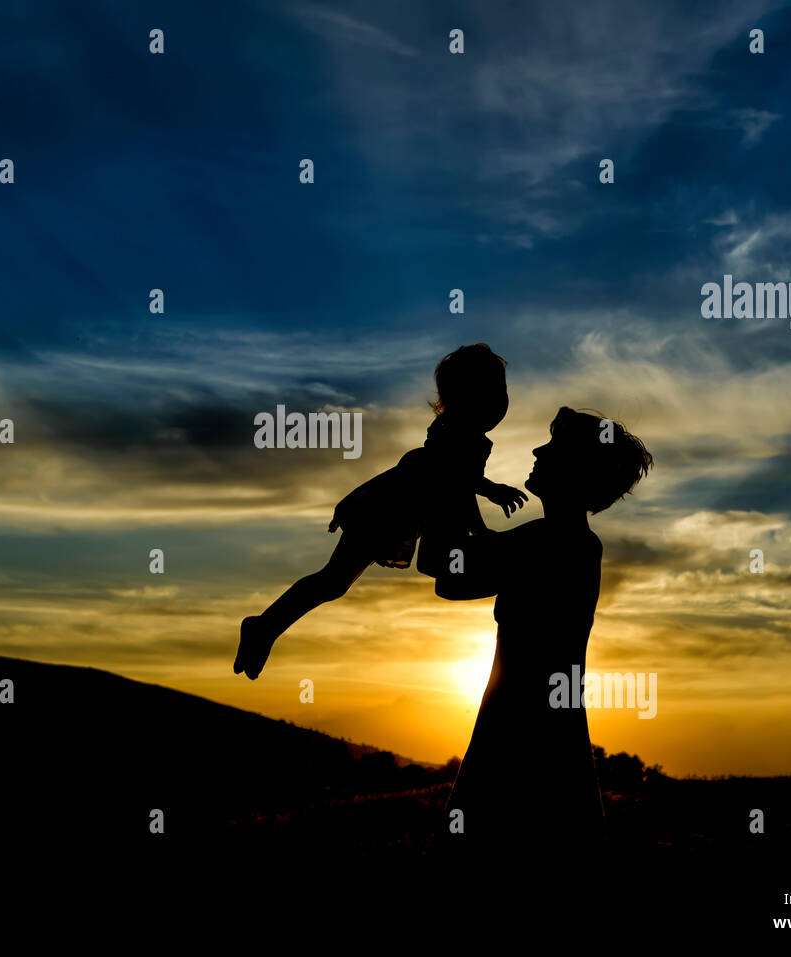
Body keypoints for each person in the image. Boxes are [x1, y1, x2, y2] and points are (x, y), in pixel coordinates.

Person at [428, 406, 653, 880]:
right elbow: (465, 564)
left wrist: (443, 476)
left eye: (554, 447)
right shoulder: (571, 543)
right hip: (548, 739)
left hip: (517, 742)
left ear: (577, 469)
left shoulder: (549, 541)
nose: (536, 450)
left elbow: (447, 574)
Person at [234, 344, 527, 680]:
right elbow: (455, 478)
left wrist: (481, 527)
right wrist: (490, 497)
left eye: (502, 391)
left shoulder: (465, 435)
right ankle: (264, 626)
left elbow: (459, 490)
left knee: (333, 581)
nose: (501, 401)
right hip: (388, 509)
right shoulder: (459, 434)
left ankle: (265, 626)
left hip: (399, 506)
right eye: (493, 391)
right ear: (468, 396)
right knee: (335, 580)